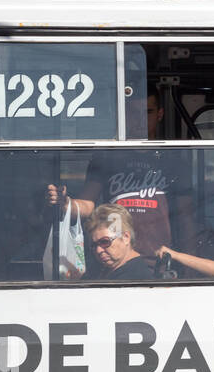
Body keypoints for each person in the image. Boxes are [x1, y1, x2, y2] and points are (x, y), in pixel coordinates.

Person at [45, 89, 197, 260]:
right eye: (134, 113)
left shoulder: (173, 159)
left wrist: (188, 259)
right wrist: (66, 203)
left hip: (160, 258)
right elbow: (88, 204)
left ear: (160, 114)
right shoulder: (108, 156)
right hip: (115, 258)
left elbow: (186, 216)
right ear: (123, 115)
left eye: (148, 112)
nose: (141, 120)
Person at [87, 204, 156, 281]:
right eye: (94, 245)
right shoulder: (104, 270)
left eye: (105, 242)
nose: (98, 250)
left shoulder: (133, 279)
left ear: (126, 237)